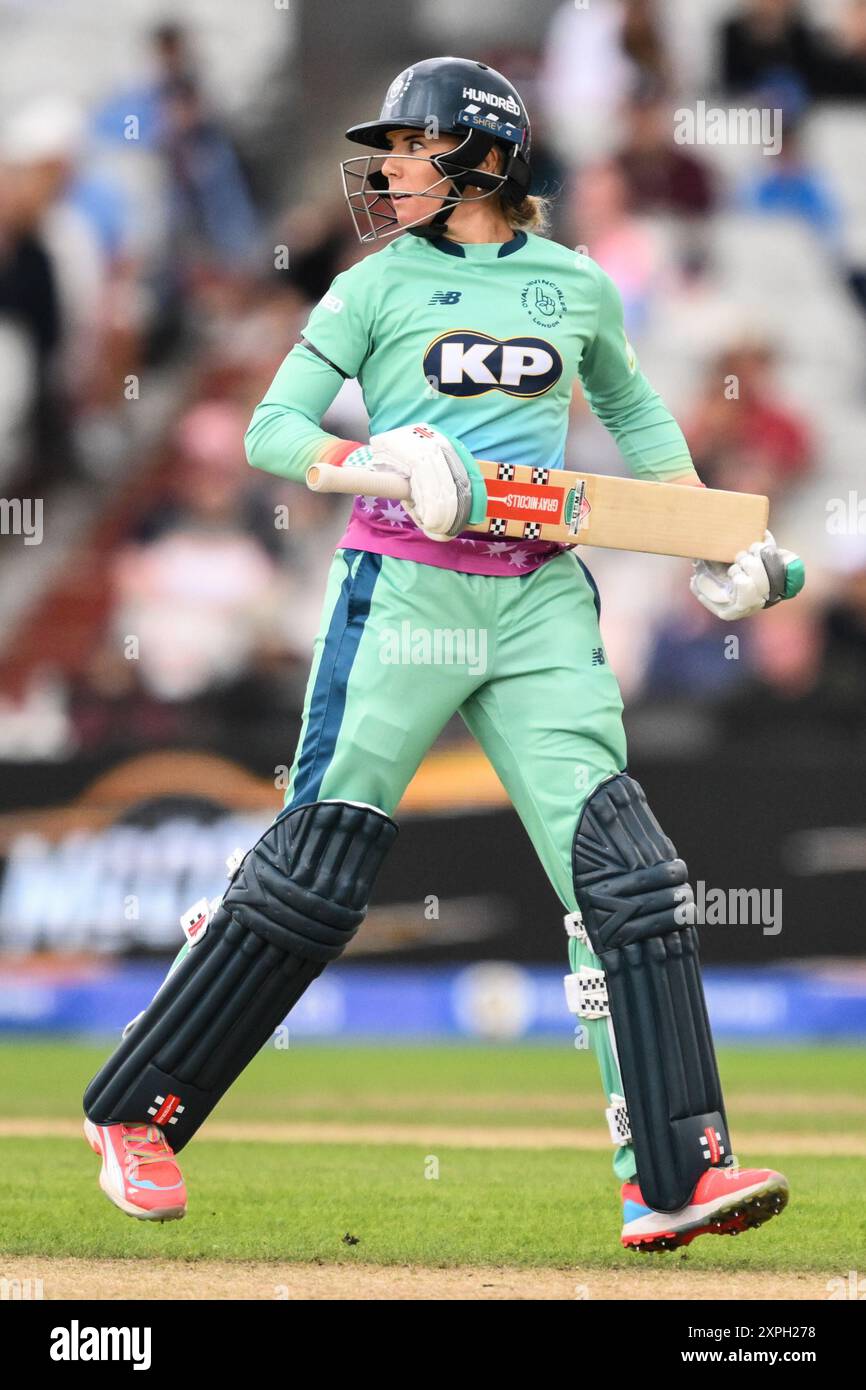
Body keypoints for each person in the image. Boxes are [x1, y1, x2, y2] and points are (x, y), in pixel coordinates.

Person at [82, 56, 804, 1251]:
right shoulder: (370, 288)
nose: (389, 169)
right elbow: (273, 429)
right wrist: (385, 462)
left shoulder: (574, 286)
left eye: (411, 147)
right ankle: (135, 1114)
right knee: (317, 870)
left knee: (626, 876)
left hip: (537, 601)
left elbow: (630, 418)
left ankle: (673, 1175)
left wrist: (710, 536)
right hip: (401, 590)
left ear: (478, 159)